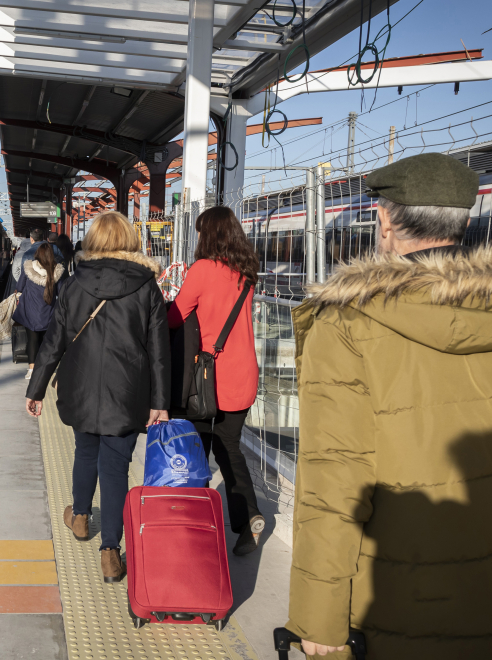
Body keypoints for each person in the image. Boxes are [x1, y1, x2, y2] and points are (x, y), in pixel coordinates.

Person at [284, 152, 492, 659]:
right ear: (465, 223)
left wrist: (319, 622)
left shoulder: (347, 325)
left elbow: (335, 485)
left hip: (394, 597)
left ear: (385, 222)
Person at [25, 211, 170, 583]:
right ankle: (110, 551)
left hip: (80, 387)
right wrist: (160, 402)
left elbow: (54, 341)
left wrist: (36, 389)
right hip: (127, 392)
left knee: (85, 452)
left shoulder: (73, 284)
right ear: (129, 240)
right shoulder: (146, 287)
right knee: (115, 467)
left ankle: (79, 518)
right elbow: (159, 350)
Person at [167, 206, 264, 557]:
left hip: (207, 378)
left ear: (208, 235)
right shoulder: (246, 272)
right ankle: (248, 517)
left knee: (197, 452)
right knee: (229, 448)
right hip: (244, 375)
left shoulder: (203, 269)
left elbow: (175, 317)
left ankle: (198, 526)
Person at [12, 243, 66, 379]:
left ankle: (31, 369)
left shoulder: (29, 268)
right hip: (48, 312)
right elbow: (62, 292)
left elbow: (19, 287)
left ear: (38, 255)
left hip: (30, 311)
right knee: (45, 341)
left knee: (32, 340)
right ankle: (43, 368)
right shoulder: (57, 271)